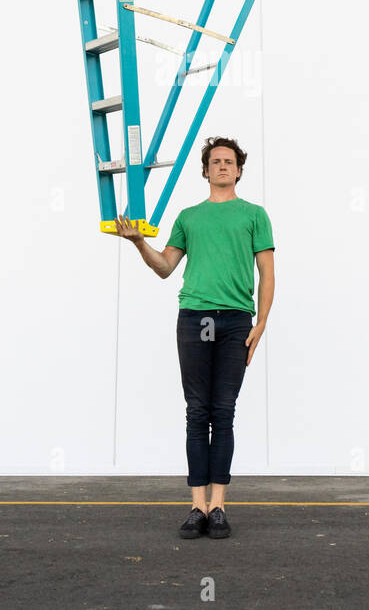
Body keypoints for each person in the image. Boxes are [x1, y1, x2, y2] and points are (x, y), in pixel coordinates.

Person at [115, 136, 275, 540]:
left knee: (223, 412)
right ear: (205, 170)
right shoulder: (188, 217)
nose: (222, 166)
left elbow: (268, 276)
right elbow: (166, 267)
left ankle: (218, 506)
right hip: (195, 319)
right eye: (215, 161)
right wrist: (138, 242)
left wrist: (260, 325)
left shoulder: (255, 215)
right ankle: (196, 507)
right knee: (196, 412)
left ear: (239, 170)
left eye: (230, 161)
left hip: (236, 320)